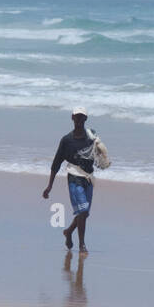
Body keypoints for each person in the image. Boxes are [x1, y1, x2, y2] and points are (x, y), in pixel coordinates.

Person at [42, 106, 98, 254]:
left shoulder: (91, 137)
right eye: (76, 117)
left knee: (84, 213)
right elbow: (56, 163)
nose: (79, 120)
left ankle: (68, 232)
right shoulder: (66, 140)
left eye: (82, 117)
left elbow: (98, 155)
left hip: (88, 178)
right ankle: (82, 245)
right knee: (83, 210)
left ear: (86, 119)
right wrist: (49, 186)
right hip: (74, 177)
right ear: (72, 118)